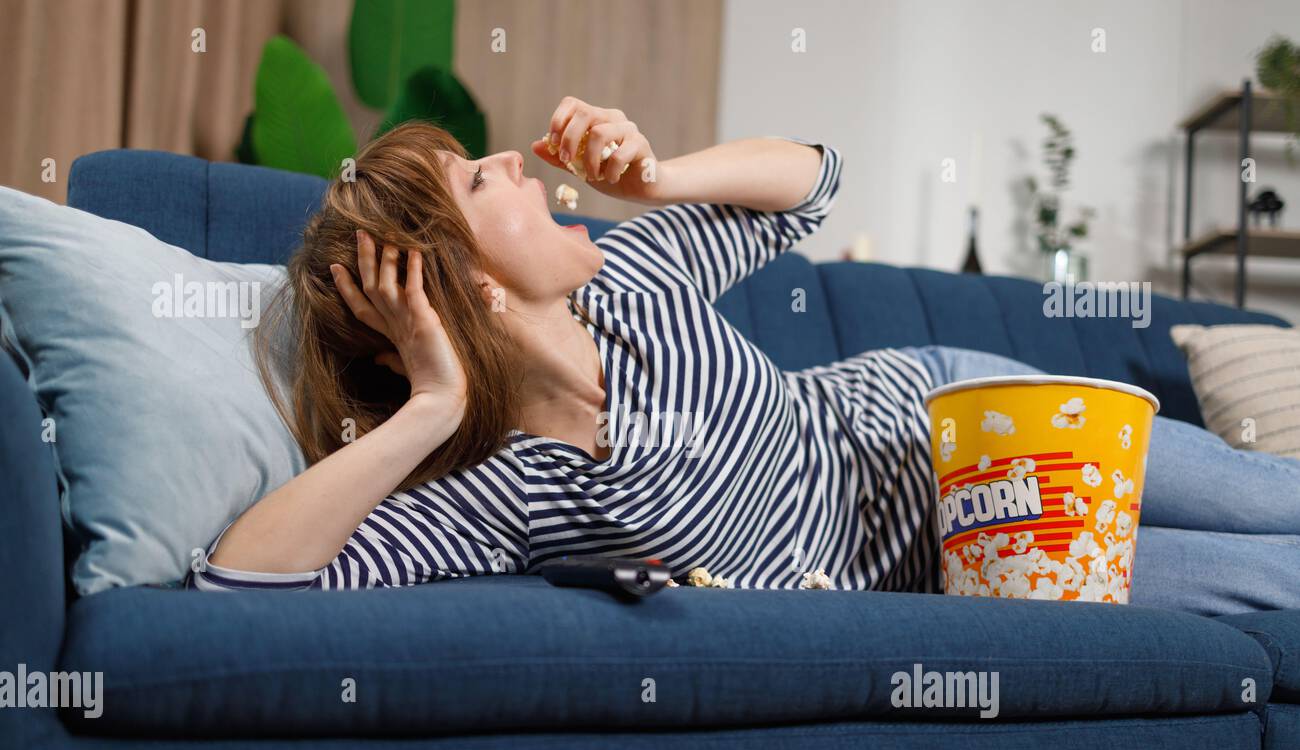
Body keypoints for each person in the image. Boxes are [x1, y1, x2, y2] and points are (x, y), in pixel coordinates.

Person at [189, 99, 1300, 615]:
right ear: (470, 284)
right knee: (1275, 580)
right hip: (975, 566)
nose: (516, 165)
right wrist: (433, 401)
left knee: (1269, 497)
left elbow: (816, 175)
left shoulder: (633, 276)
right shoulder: (510, 492)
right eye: (483, 183)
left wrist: (660, 176)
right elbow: (241, 578)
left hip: (961, 414)